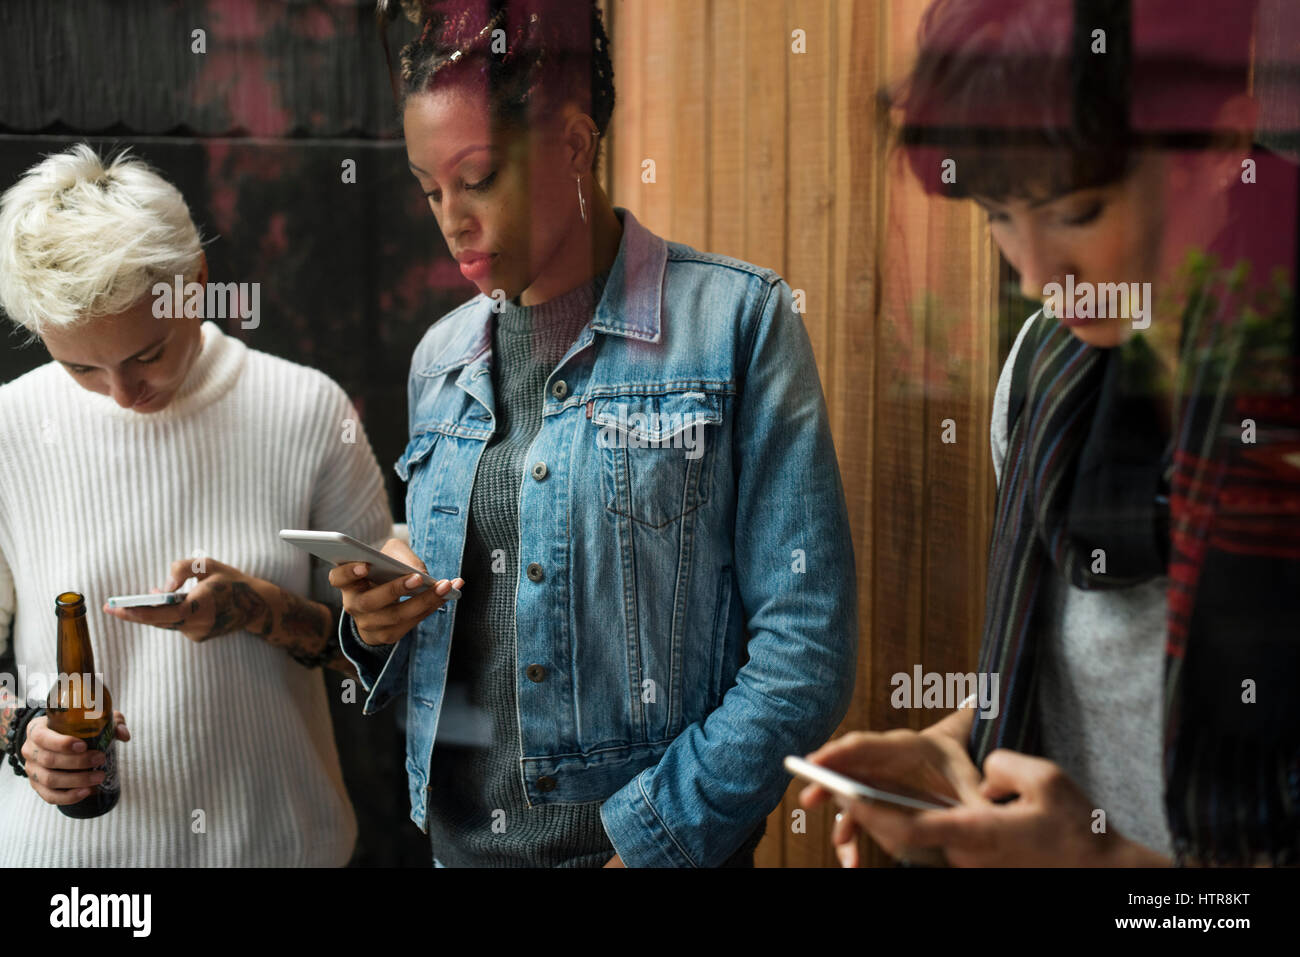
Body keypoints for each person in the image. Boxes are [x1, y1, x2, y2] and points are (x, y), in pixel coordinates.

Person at [330, 0, 858, 867]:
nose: (451, 219)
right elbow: (464, 641)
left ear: (574, 146)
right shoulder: (440, 359)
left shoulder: (736, 323)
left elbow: (806, 649)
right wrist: (377, 621)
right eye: (431, 190)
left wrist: (654, 842)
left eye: (479, 177)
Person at [802, 0, 1299, 866]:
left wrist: (1102, 864)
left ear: (1223, 143)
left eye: (1074, 212)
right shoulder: (1047, 367)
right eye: (998, 214)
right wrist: (956, 749)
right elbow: (1087, 684)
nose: (1036, 278)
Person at [0, 144, 393, 865]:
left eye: (147, 353)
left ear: (197, 283)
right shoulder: (10, 429)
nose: (124, 394)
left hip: (277, 848)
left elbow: (391, 657)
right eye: (81, 366)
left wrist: (258, 608)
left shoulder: (305, 410)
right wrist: (22, 732)